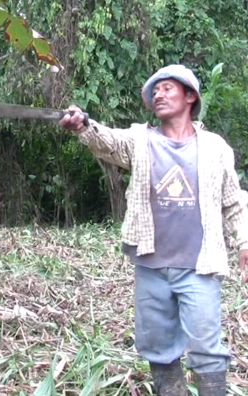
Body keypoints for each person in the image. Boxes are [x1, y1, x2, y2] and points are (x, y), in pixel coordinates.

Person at [59, 64, 248, 396]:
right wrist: (84, 125)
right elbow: (110, 143)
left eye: (168, 89)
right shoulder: (141, 141)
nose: (159, 95)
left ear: (190, 96)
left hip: (199, 266)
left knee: (206, 346)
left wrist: (245, 241)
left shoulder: (215, 148)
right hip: (151, 266)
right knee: (157, 345)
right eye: (155, 91)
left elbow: (233, 201)